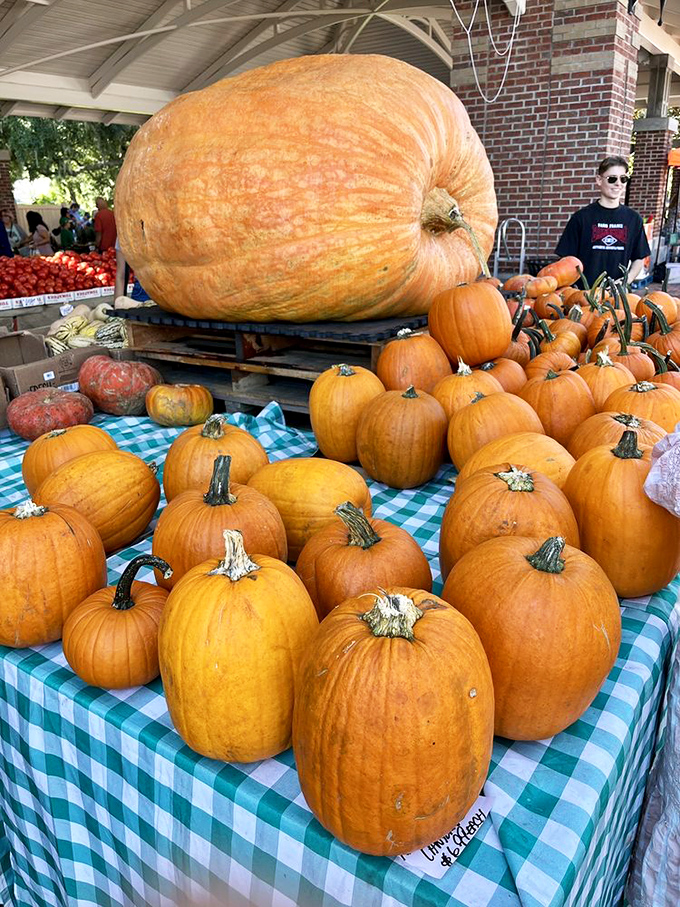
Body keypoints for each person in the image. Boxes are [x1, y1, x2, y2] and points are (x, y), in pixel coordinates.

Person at [555, 155, 651, 287]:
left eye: (623, 179)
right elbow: (566, 260)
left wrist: (625, 281)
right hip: (583, 295)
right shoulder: (581, 218)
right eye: (612, 179)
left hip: (616, 297)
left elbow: (639, 257)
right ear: (599, 180)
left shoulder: (633, 219)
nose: (618, 183)